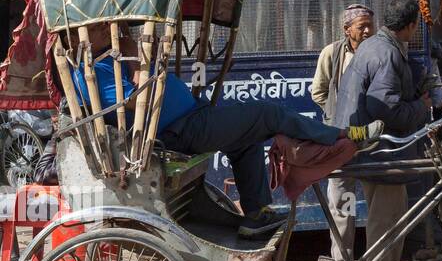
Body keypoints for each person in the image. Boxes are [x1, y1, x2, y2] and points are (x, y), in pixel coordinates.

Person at [72, 23, 370, 239]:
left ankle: (255, 214)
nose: (107, 32)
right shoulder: (90, 70)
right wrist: (138, 61)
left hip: (193, 116)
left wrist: (131, 56)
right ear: (76, 36)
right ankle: (336, 136)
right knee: (269, 112)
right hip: (180, 131)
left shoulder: (108, 58)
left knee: (249, 139)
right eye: (98, 30)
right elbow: (134, 101)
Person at [336, 0, 442, 261]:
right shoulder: (386, 53)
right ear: (412, 25)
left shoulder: (374, 45)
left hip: (369, 148)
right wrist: (422, 106)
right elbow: (385, 109)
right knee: (387, 223)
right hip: (381, 151)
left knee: (382, 219)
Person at [310, 4, 375, 261]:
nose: (369, 30)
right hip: (342, 142)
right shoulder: (332, 53)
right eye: (362, 26)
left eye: (371, 24)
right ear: (347, 30)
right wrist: (337, 119)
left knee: (377, 204)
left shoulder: (378, 52)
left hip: (372, 142)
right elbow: (319, 92)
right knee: (343, 203)